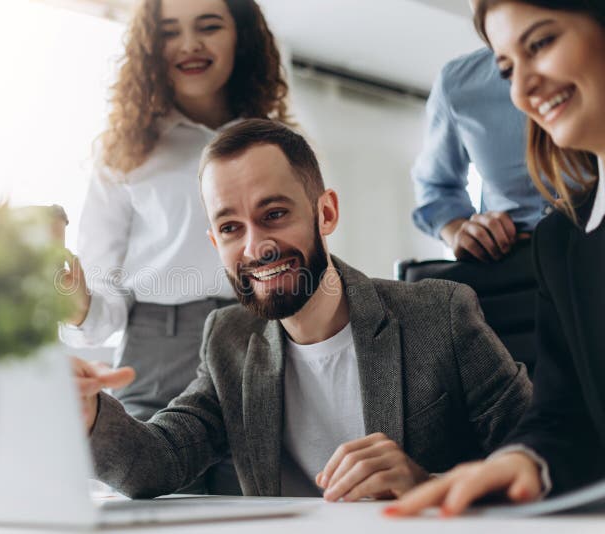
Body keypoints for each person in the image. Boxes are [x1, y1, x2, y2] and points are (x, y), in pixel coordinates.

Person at [73, 119, 532, 500]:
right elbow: (158, 461)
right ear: (216, 243)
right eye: (231, 227)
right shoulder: (229, 339)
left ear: (325, 213)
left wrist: (426, 486)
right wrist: (90, 411)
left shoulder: (439, 314)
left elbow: (546, 454)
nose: (257, 246)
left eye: (274, 214)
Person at [388, 0, 605, 517]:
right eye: (506, 68)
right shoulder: (564, 245)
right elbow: (565, 416)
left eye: (542, 43)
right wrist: (528, 461)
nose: (522, 90)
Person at [59, 0, 290, 425]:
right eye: (168, 32)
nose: (189, 45)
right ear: (149, 45)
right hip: (154, 353)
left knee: (257, 489)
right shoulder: (124, 152)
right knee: (142, 481)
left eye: (209, 26)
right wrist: (76, 304)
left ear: (241, 36)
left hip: (259, 339)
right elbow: (103, 296)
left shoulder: (280, 144)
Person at [411, 0, 553, 263]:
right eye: (508, 70)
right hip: (512, 270)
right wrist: (460, 232)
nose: (521, 90)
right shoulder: (458, 85)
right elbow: (435, 186)